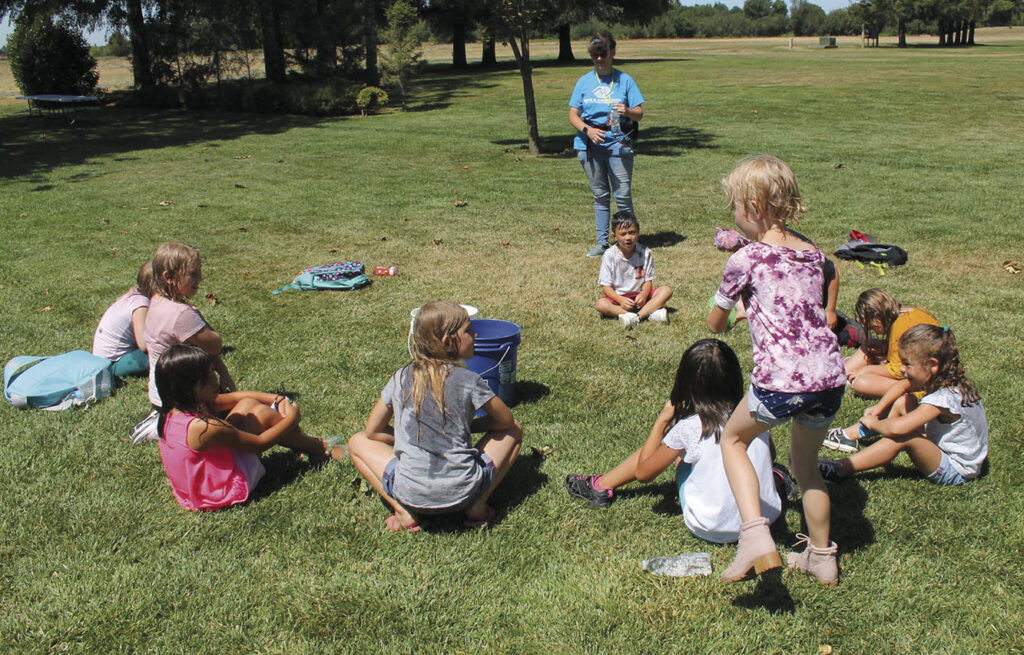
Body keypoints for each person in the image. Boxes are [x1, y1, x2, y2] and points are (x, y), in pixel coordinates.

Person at [707, 155, 847, 586]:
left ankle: (755, 538)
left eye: (735, 206)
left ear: (753, 206)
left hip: (781, 381)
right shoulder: (813, 254)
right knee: (805, 469)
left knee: (733, 439)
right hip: (829, 378)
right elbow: (785, 260)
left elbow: (714, 322)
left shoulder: (745, 261)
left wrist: (737, 314)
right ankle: (822, 559)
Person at [564, 339, 784, 543]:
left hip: (711, 525)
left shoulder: (690, 428)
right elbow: (770, 456)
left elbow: (643, 473)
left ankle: (601, 486)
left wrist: (661, 422)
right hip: (765, 519)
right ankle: (780, 479)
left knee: (676, 460)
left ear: (688, 383)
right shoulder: (753, 413)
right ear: (735, 376)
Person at [348, 302, 523, 532]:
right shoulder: (470, 381)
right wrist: (467, 428)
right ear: (448, 342)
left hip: (410, 492)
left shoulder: (400, 378)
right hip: (465, 492)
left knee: (357, 440)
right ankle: (478, 506)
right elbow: (505, 422)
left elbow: (373, 431)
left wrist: (408, 439)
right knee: (515, 430)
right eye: (468, 330)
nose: (475, 334)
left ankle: (403, 512)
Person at [154, 344, 345, 511]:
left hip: (200, 485)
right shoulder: (202, 427)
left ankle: (307, 445)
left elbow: (240, 398)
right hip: (220, 491)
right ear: (190, 387)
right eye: (209, 375)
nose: (216, 378)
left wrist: (277, 398)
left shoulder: (177, 409)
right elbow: (259, 444)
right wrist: (291, 418)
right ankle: (319, 447)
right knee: (262, 414)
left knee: (247, 405)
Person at [819, 325, 987, 486]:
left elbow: (898, 429)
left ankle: (840, 469)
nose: (901, 369)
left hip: (956, 470)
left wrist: (874, 423)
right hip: (944, 449)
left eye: (907, 364)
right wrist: (879, 409)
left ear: (933, 365)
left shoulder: (943, 400)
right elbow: (903, 385)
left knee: (904, 437)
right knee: (903, 401)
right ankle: (883, 447)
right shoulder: (946, 380)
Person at [568, 32, 645, 257]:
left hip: (618, 144)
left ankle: (629, 242)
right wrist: (588, 130)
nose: (599, 59)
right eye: (595, 55)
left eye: (603, 54)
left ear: (612, 52)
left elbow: (640, 113)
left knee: (622, 195)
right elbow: (573, 114)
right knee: (600, 195)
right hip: (589, 145)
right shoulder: (584, 81)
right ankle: (603, 242)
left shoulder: (625, 80)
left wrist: (628, 111)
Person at [144, 242, 236, 409]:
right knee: (255, 411)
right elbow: (215, 345)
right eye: (193, 274)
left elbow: (203, 348)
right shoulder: (181, 314)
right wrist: (199, 318)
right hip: (184, 403)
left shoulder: (156, 301)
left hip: (160, 397)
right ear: (168, 277)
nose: (199, 279)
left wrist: (223, 372)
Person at [843, 288, 938, 398]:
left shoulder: (899, 327)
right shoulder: (913, 313)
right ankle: (842, 374)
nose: (874, 331)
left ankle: (910, 393)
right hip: (923, 371)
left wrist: (865, 370)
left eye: (873, 327)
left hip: (923, 381)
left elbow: (898, 370)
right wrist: (886, 347)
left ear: (878, 317)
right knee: (870, 347)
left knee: (861, 383)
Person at [596, 211, 673, 328]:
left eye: (632, 233)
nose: (628, 238)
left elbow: (648, 281)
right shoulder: (609, 255)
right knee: (601, 304)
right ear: (614, 236)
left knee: (666, 290)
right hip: (619, 298)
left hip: (640, 297)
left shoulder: (645, 252)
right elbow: (606, 286)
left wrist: (644, 294)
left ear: (638, 233)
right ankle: (649, 313)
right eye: (623, 234)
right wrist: (620, 300)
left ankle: (637, 317)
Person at [92, 260, 156, 378]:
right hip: (112, 365)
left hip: (103, 360)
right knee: (161, 352)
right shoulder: (141, 305)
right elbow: (144, 345)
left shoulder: (133, 296)